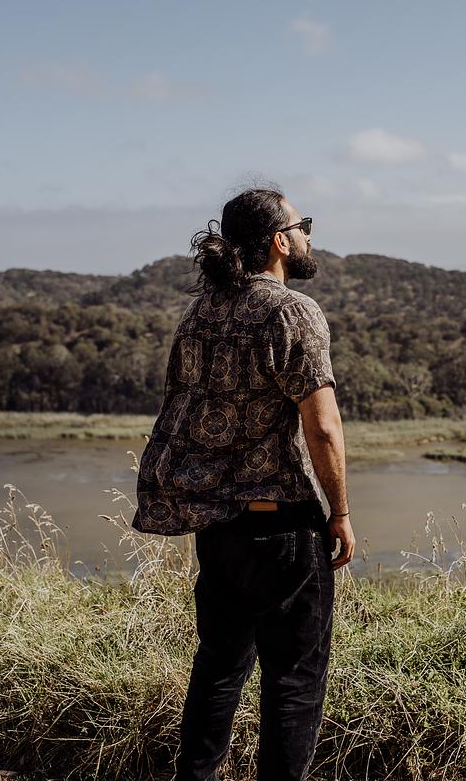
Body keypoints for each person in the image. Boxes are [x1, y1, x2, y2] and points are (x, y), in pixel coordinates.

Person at [132, 185, 354, 781]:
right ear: (280, 241)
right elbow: (324, 426)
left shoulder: (200, 310)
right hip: (280, 523)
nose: (309, 233)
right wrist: (340, 512)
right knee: (295, 679)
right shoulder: (292, 312)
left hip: (218, 526)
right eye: (302, 224)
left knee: (219, 668)